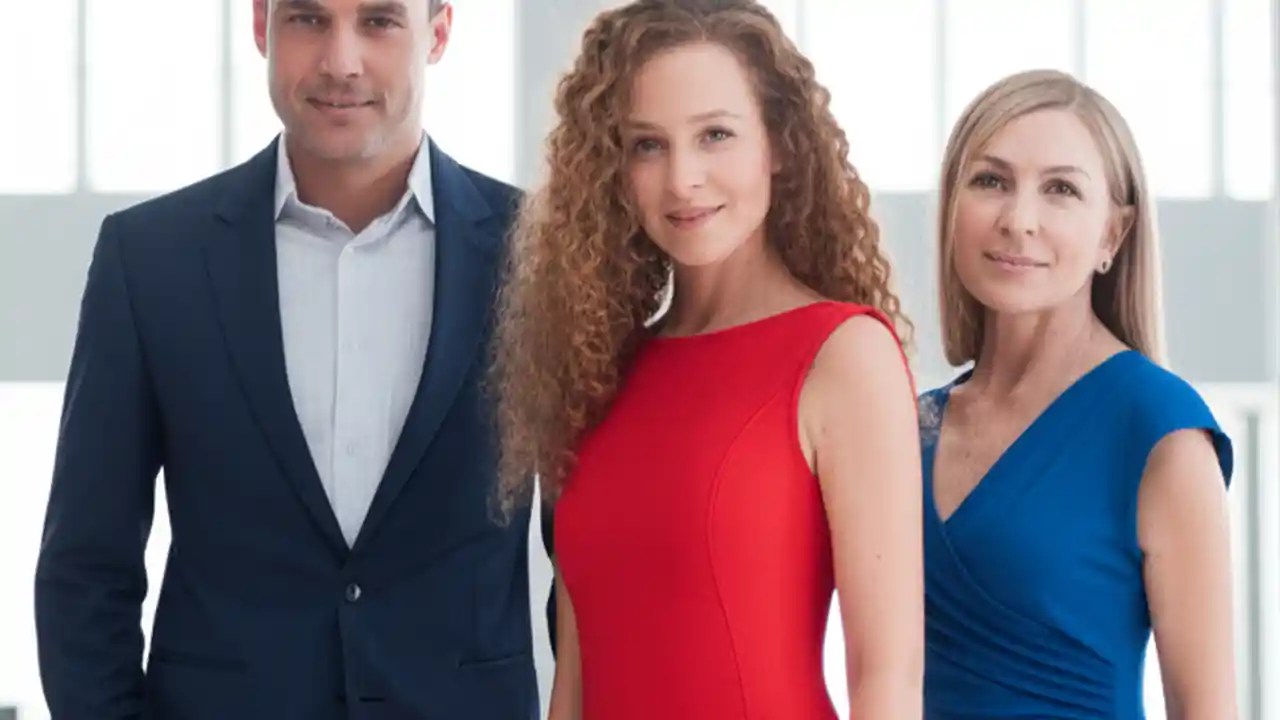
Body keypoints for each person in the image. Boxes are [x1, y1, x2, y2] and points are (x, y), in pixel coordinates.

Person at [34, 1, 539, 718]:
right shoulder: (150, 260)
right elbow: (85, 569)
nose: (340, 62)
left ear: (439, 32)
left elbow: (595, 565)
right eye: (308, 19)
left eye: (379, 21)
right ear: (260, 25)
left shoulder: (537, 256)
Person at [489, 1, 923, 718]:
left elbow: (888, 681)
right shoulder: (598, 370)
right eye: (647, 145)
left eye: (715, 135)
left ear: (778, 143)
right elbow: (576, 679)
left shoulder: (845, 356)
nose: (682, 178)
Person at [919, 69, 1236, 719]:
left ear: (1112, 234)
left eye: (1060, 189)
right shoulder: (910, 424)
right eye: (991, 181)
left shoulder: (1158, 429)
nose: (1018, 220)